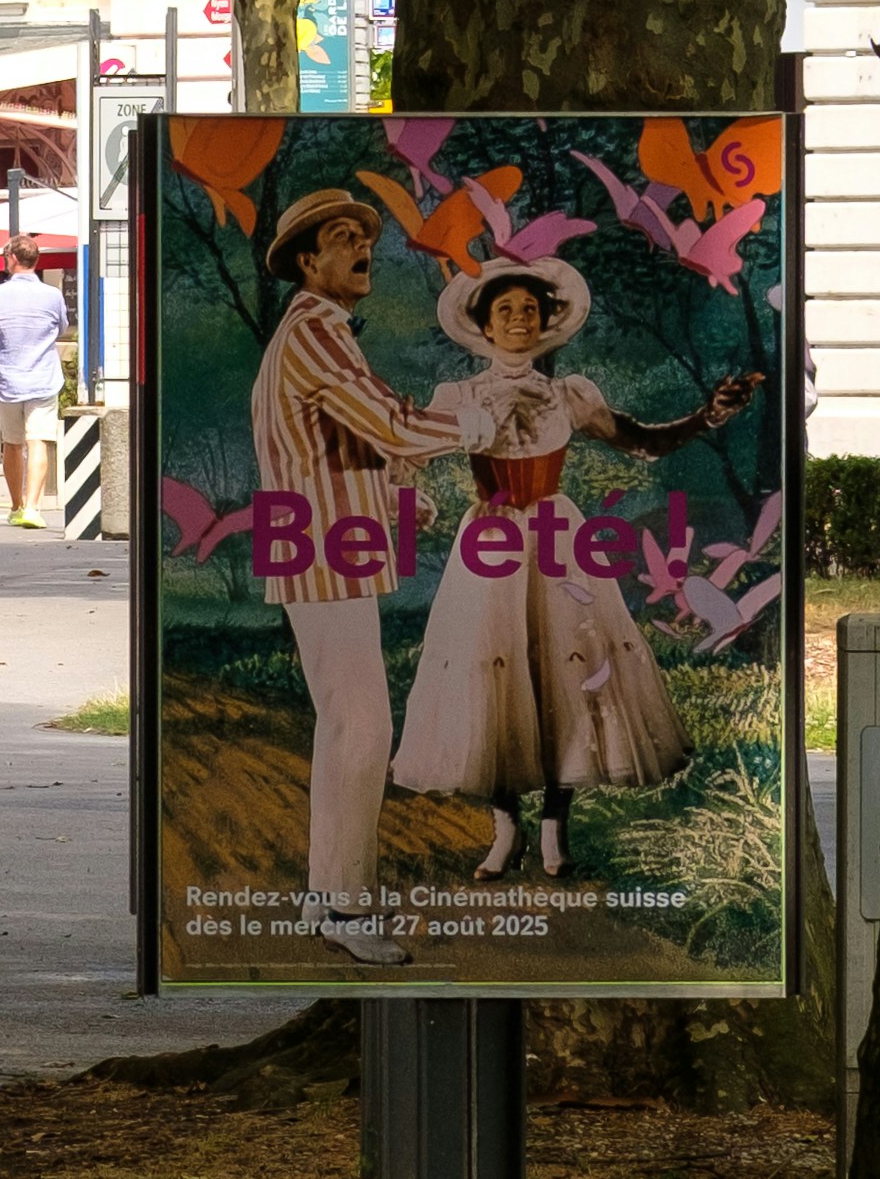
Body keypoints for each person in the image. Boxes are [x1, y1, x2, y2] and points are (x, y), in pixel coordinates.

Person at [388, 261, 756, 881]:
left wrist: (707, 414)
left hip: (559, 534)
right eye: (505, 310)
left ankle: (557, 826)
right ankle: (506, 827)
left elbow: (641, 441)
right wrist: (405, 491)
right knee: (491, 672)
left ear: (548, 321)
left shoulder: (569, 394)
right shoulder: (461, 396)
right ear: (483, 324)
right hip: (494, 537)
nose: (519, 319)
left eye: (530, 309)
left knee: (570, 668)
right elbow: (409, 451)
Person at [246, 188, 461, 933]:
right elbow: (388, 423)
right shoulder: (316, 331)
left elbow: (344, 439)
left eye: (362, 235)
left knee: (345, 721)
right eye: (342, 237)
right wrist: (478, 420)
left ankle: (325, 895)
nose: (361, 247)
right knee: (363, 725)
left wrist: (403, 497)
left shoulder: (313, 332)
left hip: (321, 538)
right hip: (323, 543)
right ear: (308, 261)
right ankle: (346, 905)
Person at [0, 234, 73, 528]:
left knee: (13, 444)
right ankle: (32, 507)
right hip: (43, 377)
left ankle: (16, 505)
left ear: (13, 259)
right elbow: (62, 327)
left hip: (9, 380)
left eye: (6, 257)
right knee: (39, 440)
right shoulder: (53, 295)